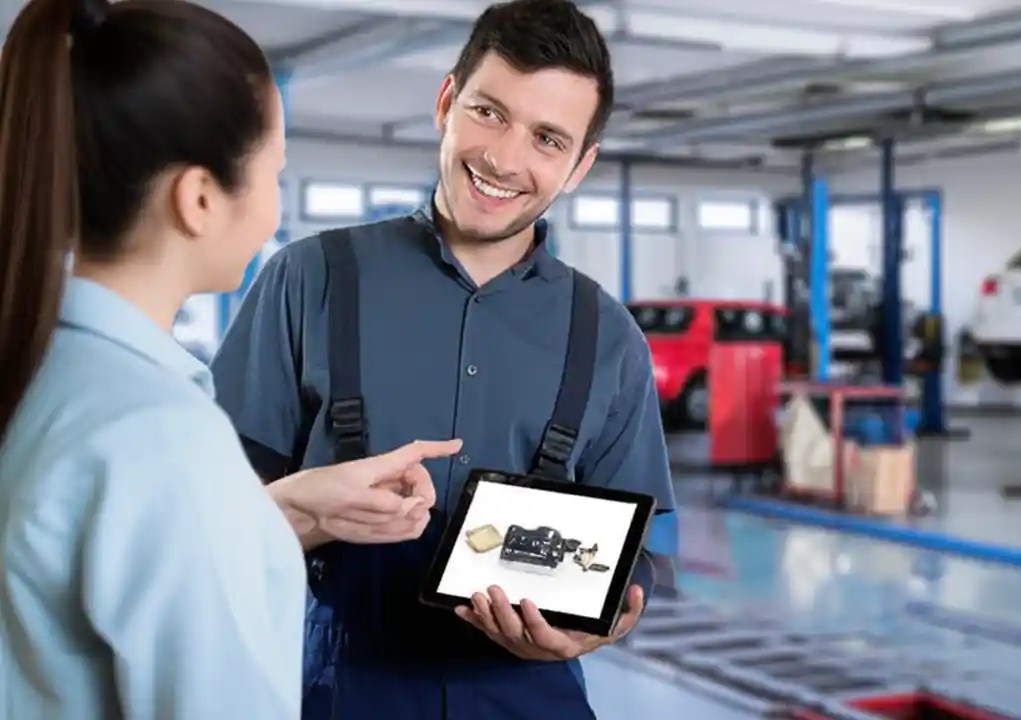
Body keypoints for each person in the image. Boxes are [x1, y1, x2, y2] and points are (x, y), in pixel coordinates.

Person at [210, 0, 677, 717]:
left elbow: (638, 556)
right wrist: (313, 511)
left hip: (531, 700)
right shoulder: (310, 280)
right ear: (445, 103)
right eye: (489, 112)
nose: (503, 159)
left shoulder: (609, 337)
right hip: (335, 689)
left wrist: (597, 626)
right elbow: (213, 515)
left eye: (547, 139)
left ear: (580, 166)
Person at [0, 1, 461, 718]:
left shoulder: (41, 366)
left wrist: (281, 507)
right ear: (200, 199)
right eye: (275, 174)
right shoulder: (161, 436)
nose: (275, 209)